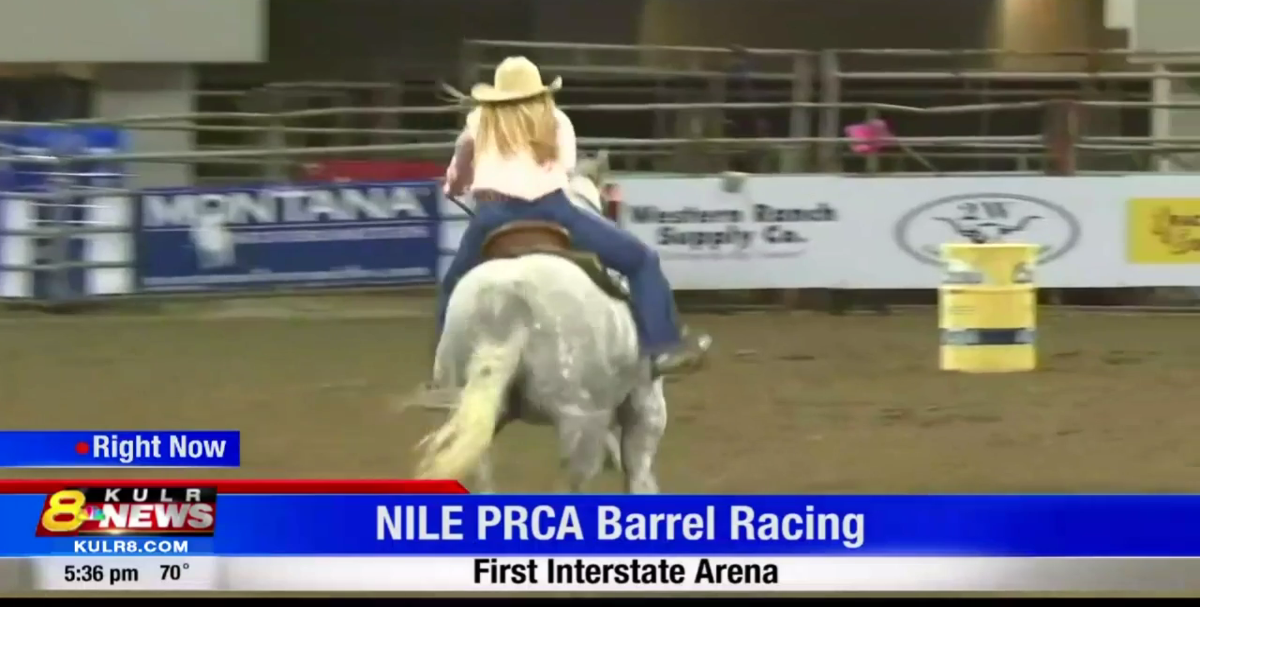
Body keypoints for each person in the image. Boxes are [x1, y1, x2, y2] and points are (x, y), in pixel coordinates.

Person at [440, 56, 710, 377]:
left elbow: (457, 174)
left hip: (492, 218)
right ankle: (662, 346)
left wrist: (455, 186)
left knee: (453, 286)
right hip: (553, 210)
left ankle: (445, 377)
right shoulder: (557, 120)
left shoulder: (477, 122)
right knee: (641, 260)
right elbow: (566, 170)